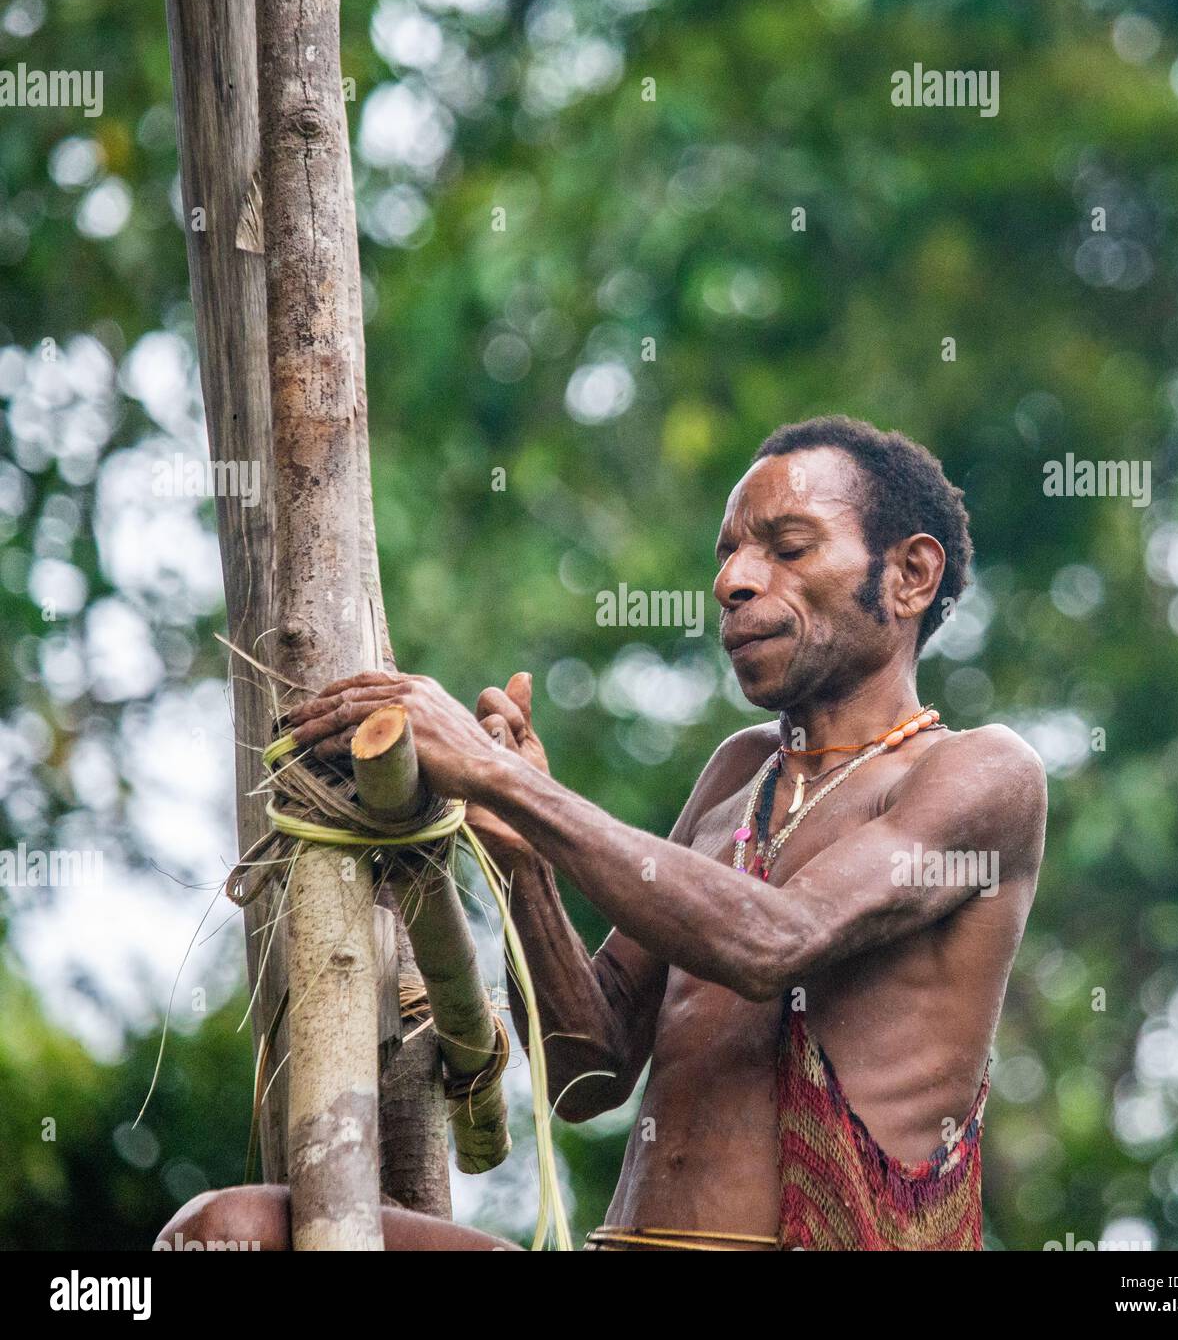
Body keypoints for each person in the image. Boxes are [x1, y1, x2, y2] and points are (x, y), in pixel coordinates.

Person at [161, 415, 1046, 1251]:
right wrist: (525, 862)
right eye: (730, 553)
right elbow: (592, 1074)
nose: (733, 580)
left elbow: (777, 938)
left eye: (785, 547)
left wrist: (495, 772)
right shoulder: (741, 772)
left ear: (909, 575)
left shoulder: (981, 773)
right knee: (227, 1227)